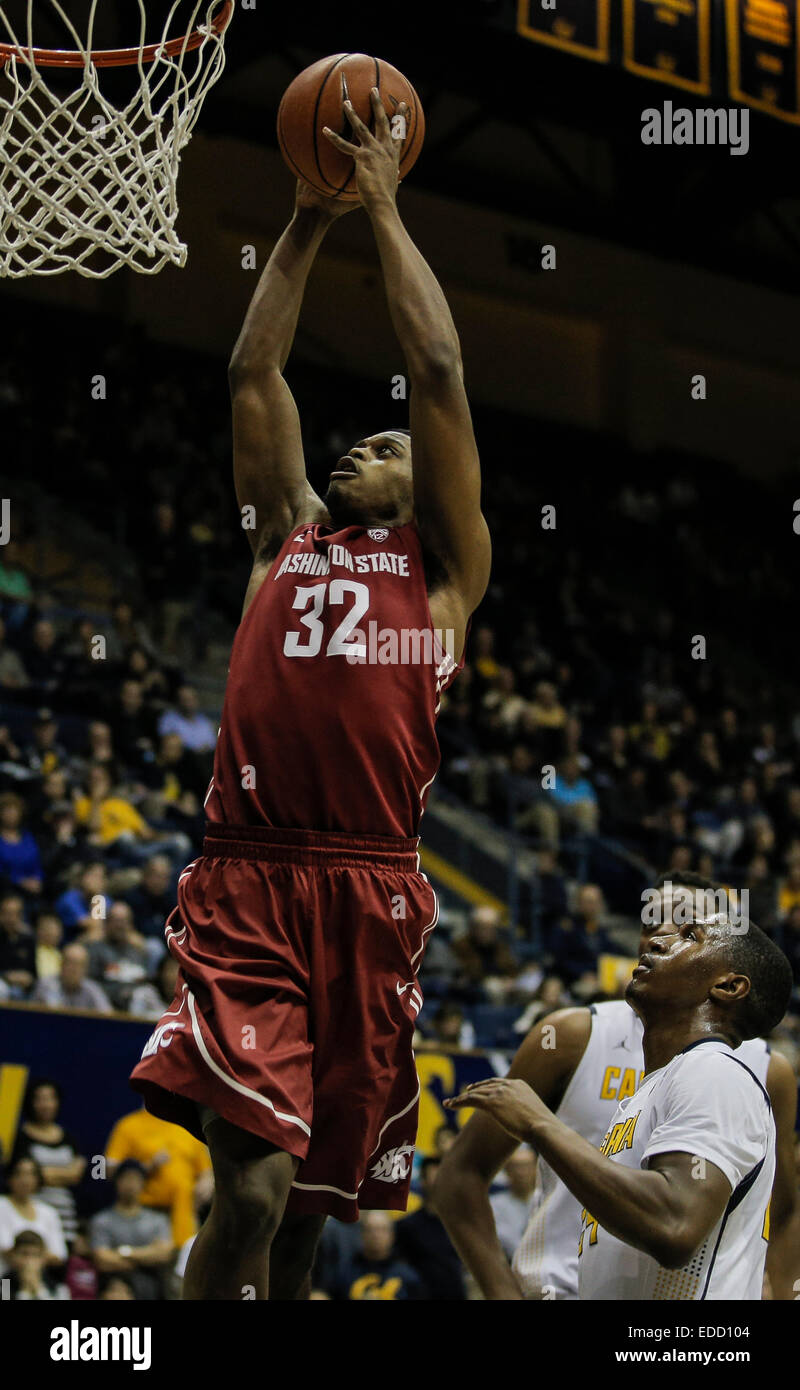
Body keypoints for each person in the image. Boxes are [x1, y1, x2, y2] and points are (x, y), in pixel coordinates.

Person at [129, 85, 490, 1301]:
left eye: (384, 447)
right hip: (250, 872)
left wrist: (384, 205)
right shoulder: (280, 539)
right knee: (249, 1193)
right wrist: (304, 219)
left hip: (373, 892)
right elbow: (250, 370)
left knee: (305, 1226)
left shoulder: (442, 573)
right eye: (356, 442)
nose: (359, 448)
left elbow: (434, 363)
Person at [436, 870, 799, 1300]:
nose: (658, 937)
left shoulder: (723, 1069)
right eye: (650, 924)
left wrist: (541, 1126)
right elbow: (458, 1177)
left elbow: (679, 1223)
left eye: (686, 929)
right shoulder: (644, 1079)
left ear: (730, 978)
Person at [104, 1105, 211, 1248]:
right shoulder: (129, 1125)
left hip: (185, 1214)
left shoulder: (188, 1126)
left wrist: (207, 1181)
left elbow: (205, 1170)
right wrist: (146, 1167)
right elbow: (107, 1171)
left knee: (185, 1263)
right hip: (145, 1216)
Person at [11, 1079, 86, 1247]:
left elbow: (77, 1175)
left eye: (50, 1098)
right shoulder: (20, 1138)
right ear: (30, 1102)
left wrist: (45, 1173)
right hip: (32, 1212)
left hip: (66, 1215)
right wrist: (64, 1173)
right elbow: (29, 1175)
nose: (46, 1104)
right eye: (40, 1099)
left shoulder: (69, 1138)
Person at [88, 1160, 174, 1302]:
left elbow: (164, 1254)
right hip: (113, 1288)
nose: (130, 1184)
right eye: (126, 1178)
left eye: (135, 1179)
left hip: (151, 1286)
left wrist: (123, 1252)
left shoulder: (157, 1219)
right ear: (117, 1182)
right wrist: (146, 1256)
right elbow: (102, 1259)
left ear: (143, 1183)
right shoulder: (101, 1220)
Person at [394, 1156, 466, 1300]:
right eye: (434, 1176)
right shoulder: (407, 1226)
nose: (440, 1182)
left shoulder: (462, 1223)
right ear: (422, 1182)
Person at [326, 1210, 423, 1301]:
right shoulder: (345, 1272)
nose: (376, 1235)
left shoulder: (408, 1276)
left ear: (392, 1235)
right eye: (370, 1229)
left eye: (382, 1229)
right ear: (362, 1234)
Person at [0, 1156, 68, 1274]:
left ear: (38, 1180)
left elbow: (59, 1255)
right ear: (9, 1178)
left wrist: (29, 1258)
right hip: (5, 1277)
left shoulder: (49, 1212)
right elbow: (5, 1248)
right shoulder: (2, 1205)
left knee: (53, 1290)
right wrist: (38, 1255)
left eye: (31, 1174)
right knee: (7, 1291)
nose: (25, 1180)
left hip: (39, 1280)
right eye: (19, 1174)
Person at [32, 942, 112, 1013]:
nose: (73, 969)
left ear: (86, 969)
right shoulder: (46, 985)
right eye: (69, 963)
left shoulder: (93, 990)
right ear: (61, 964)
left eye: (79, 965)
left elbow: (107, 1017)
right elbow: (32, 1014)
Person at [489, 1146, 538, 1260]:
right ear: (507, 1170)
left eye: (527, 1166)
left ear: (536, 1168)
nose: (522, 1173)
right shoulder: (494, 1205)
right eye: (516, 1167)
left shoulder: (546, 1202)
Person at [5, 1230, 70, 1300]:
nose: (29, 1260)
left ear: (43, 1258)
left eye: (35, 1255)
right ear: (14, 1255)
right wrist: (24, 1290)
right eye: (24, 1254)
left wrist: (39, 1289)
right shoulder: (5, 1283)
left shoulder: (57, 1283)